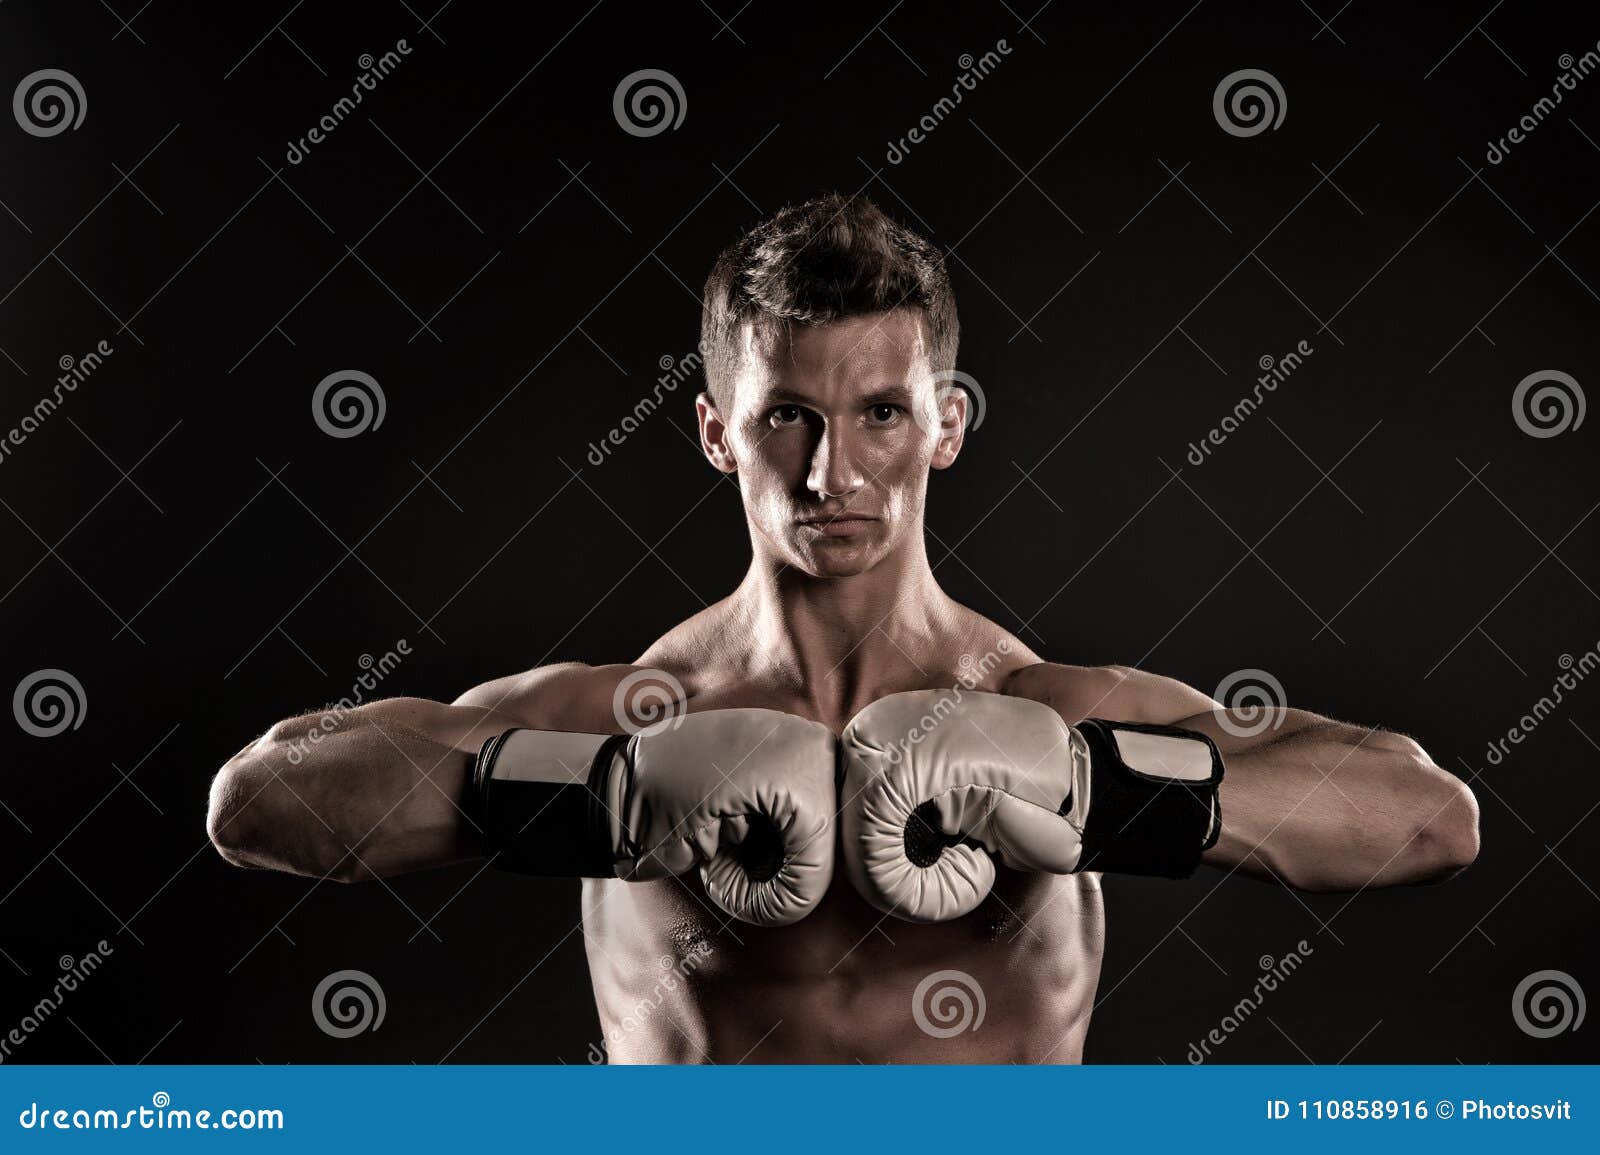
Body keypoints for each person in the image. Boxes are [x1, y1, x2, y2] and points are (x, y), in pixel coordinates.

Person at [206, 194, 1479, 1063]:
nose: (832, 478)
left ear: (947, 425)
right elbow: (256, 803)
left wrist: (1092, 789)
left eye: (879, 413)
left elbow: (1428, 817)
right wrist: (600, 793)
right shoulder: (630, 714)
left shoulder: (1052, 709)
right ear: (716, 432)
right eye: (785, 419)